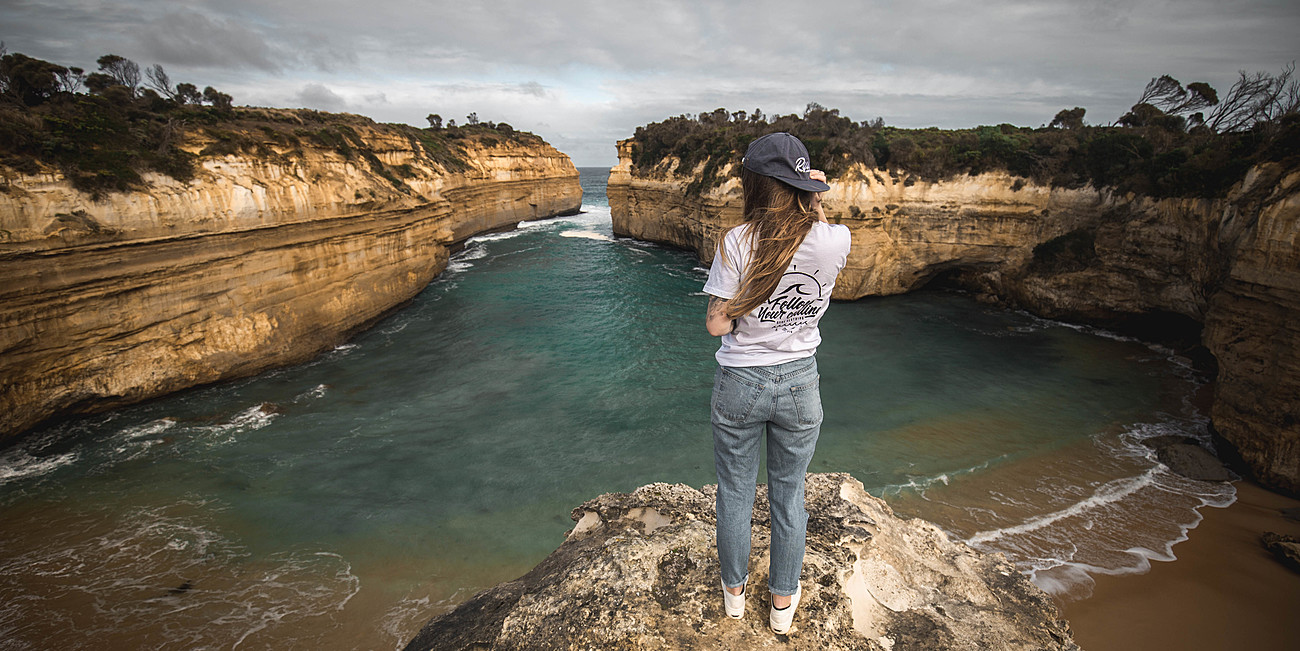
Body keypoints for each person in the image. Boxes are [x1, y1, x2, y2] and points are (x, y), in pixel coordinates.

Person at [703, 132, 851, 634]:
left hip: (741, 382)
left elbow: (717, 325)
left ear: (754, 182)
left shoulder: (736, 241)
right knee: (789, 496)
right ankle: (783, 609)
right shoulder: (836, 240)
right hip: (799, 383)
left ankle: (734, 599)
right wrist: (812, 196)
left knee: (736, 494)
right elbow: (818, 229)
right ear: (802, 186)